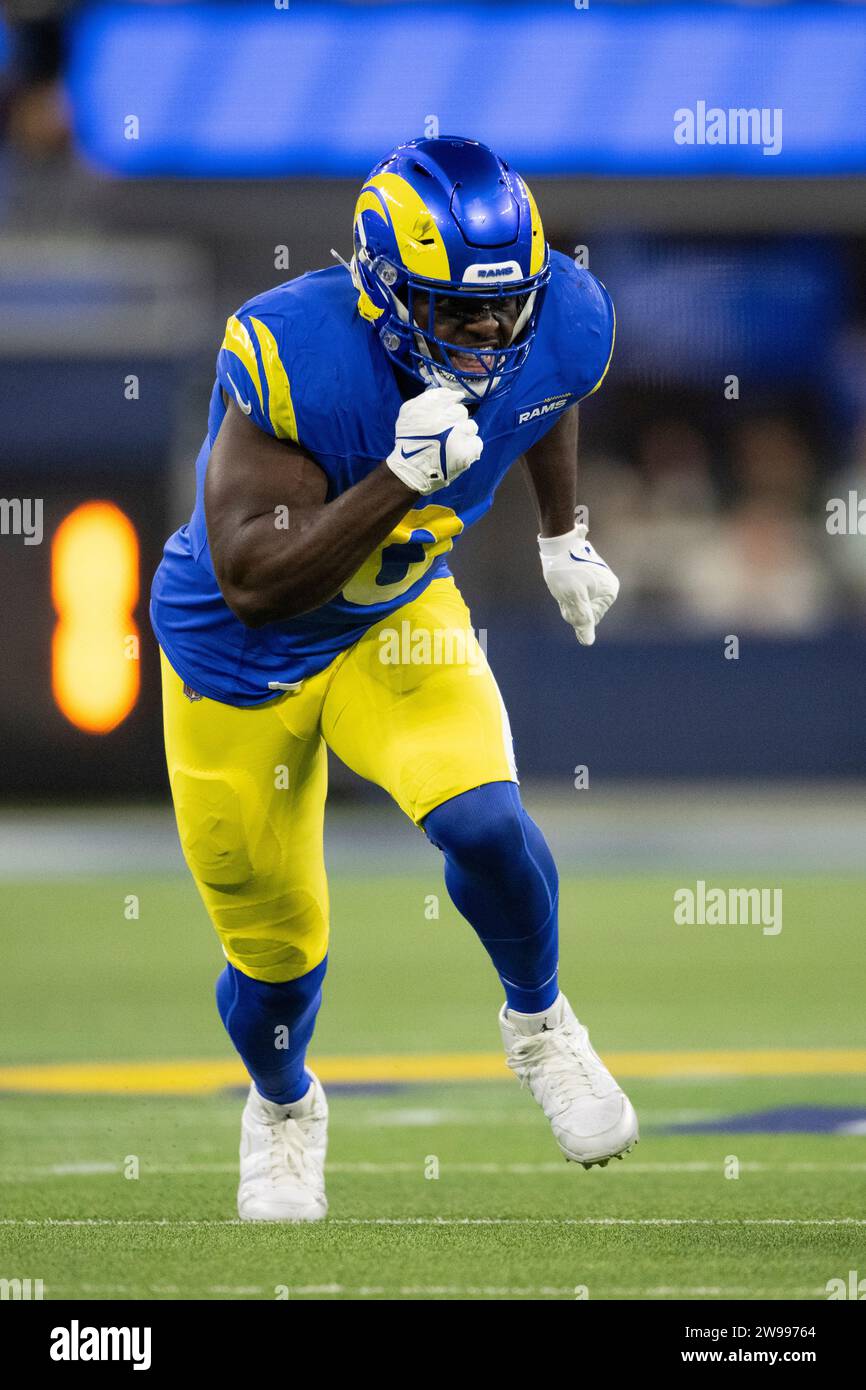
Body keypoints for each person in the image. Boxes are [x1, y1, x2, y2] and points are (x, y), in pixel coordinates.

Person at [150, 135, 638, 1221]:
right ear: (379, 287)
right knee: (274, 959)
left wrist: (562, 532)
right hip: (239, 661)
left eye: (502, 308)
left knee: (484, 823)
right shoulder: (295, 351)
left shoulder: (557, 317)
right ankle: (283, 1108)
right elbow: (253, 581)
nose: (483, 335)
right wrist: (392, 480)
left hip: (391, 622)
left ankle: (541, 1026)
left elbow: (540, 394)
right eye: (453, 311)